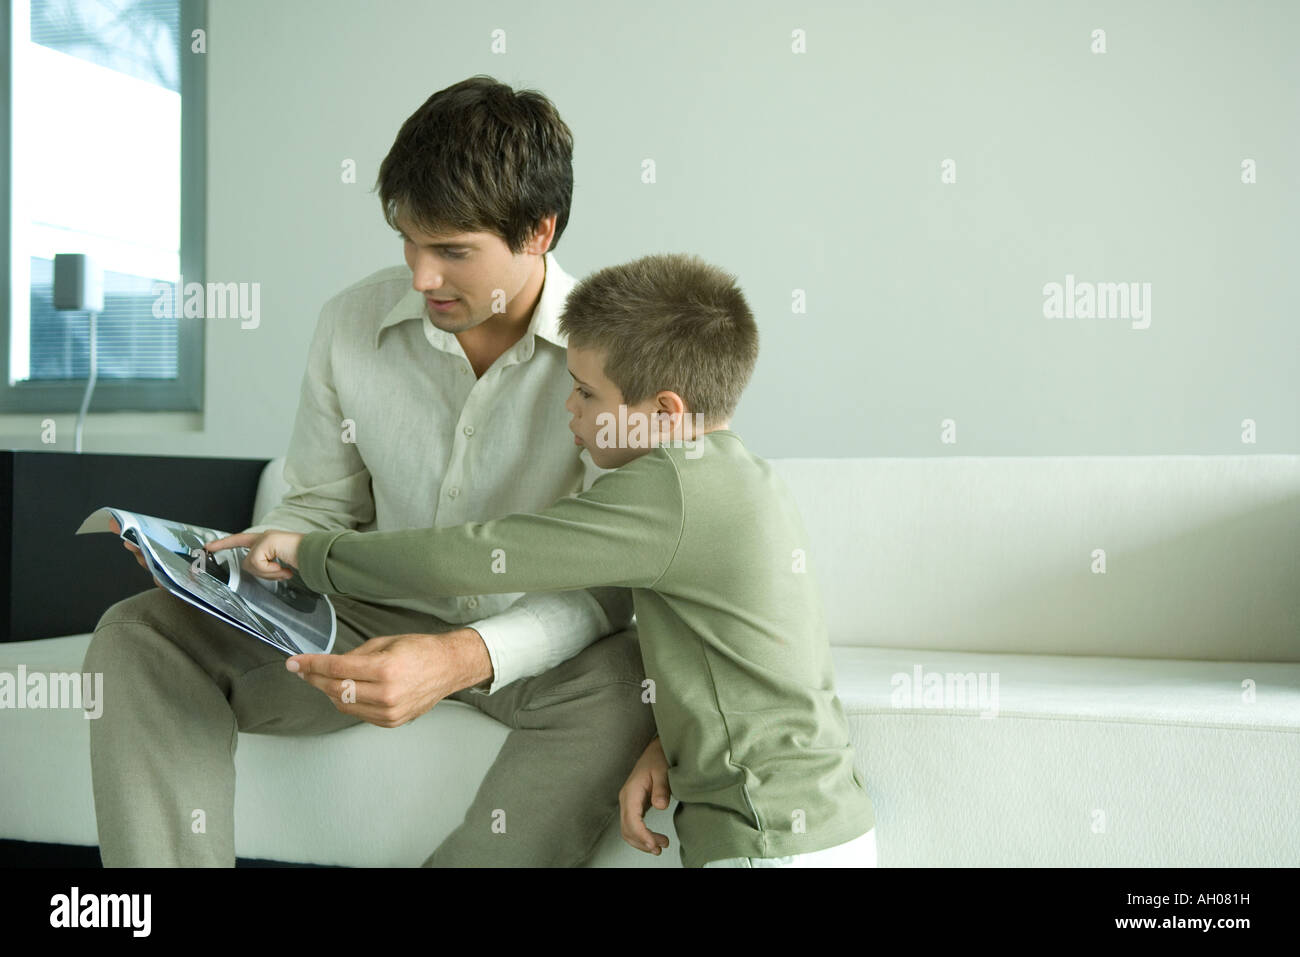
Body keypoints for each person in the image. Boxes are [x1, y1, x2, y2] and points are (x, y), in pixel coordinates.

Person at [82, 75, 656, 867]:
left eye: (452, 251)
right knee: (140, 635)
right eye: (409, 241)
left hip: (538, 644)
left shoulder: (619, 350)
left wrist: (461, 655)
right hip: (364, 618)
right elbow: (320, 502)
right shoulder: (350, 323)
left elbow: (607, 580)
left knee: (633, 683)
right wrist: (246, 563)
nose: (421, 277)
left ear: (539, 232)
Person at [212, 253, 878, 868]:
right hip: (814, 821)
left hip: (764, 839)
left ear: (665, 412)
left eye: (587, 393)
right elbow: (763, 669)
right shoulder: (739, 479)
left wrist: (313, 551)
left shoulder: (665, 487)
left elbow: (474, 557)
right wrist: (669, 744)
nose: (571, 407)